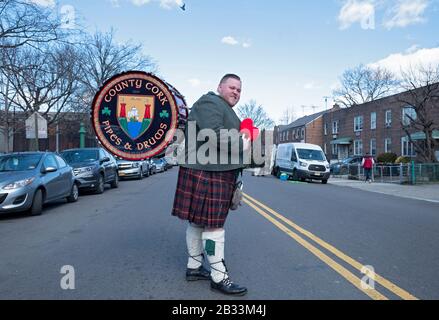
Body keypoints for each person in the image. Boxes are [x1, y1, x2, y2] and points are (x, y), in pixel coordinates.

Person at [171, 74, 250, 296]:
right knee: (214, 226)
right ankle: (219, 276)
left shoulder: (222, 107)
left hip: (209, 171)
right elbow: (213, 135)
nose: (236, 92)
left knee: (197, 223)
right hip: (208, 172)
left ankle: (194, 267)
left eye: (239, 90)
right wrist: (244, 139)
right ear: (220, 87)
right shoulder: (210, 102)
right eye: (232, 87)